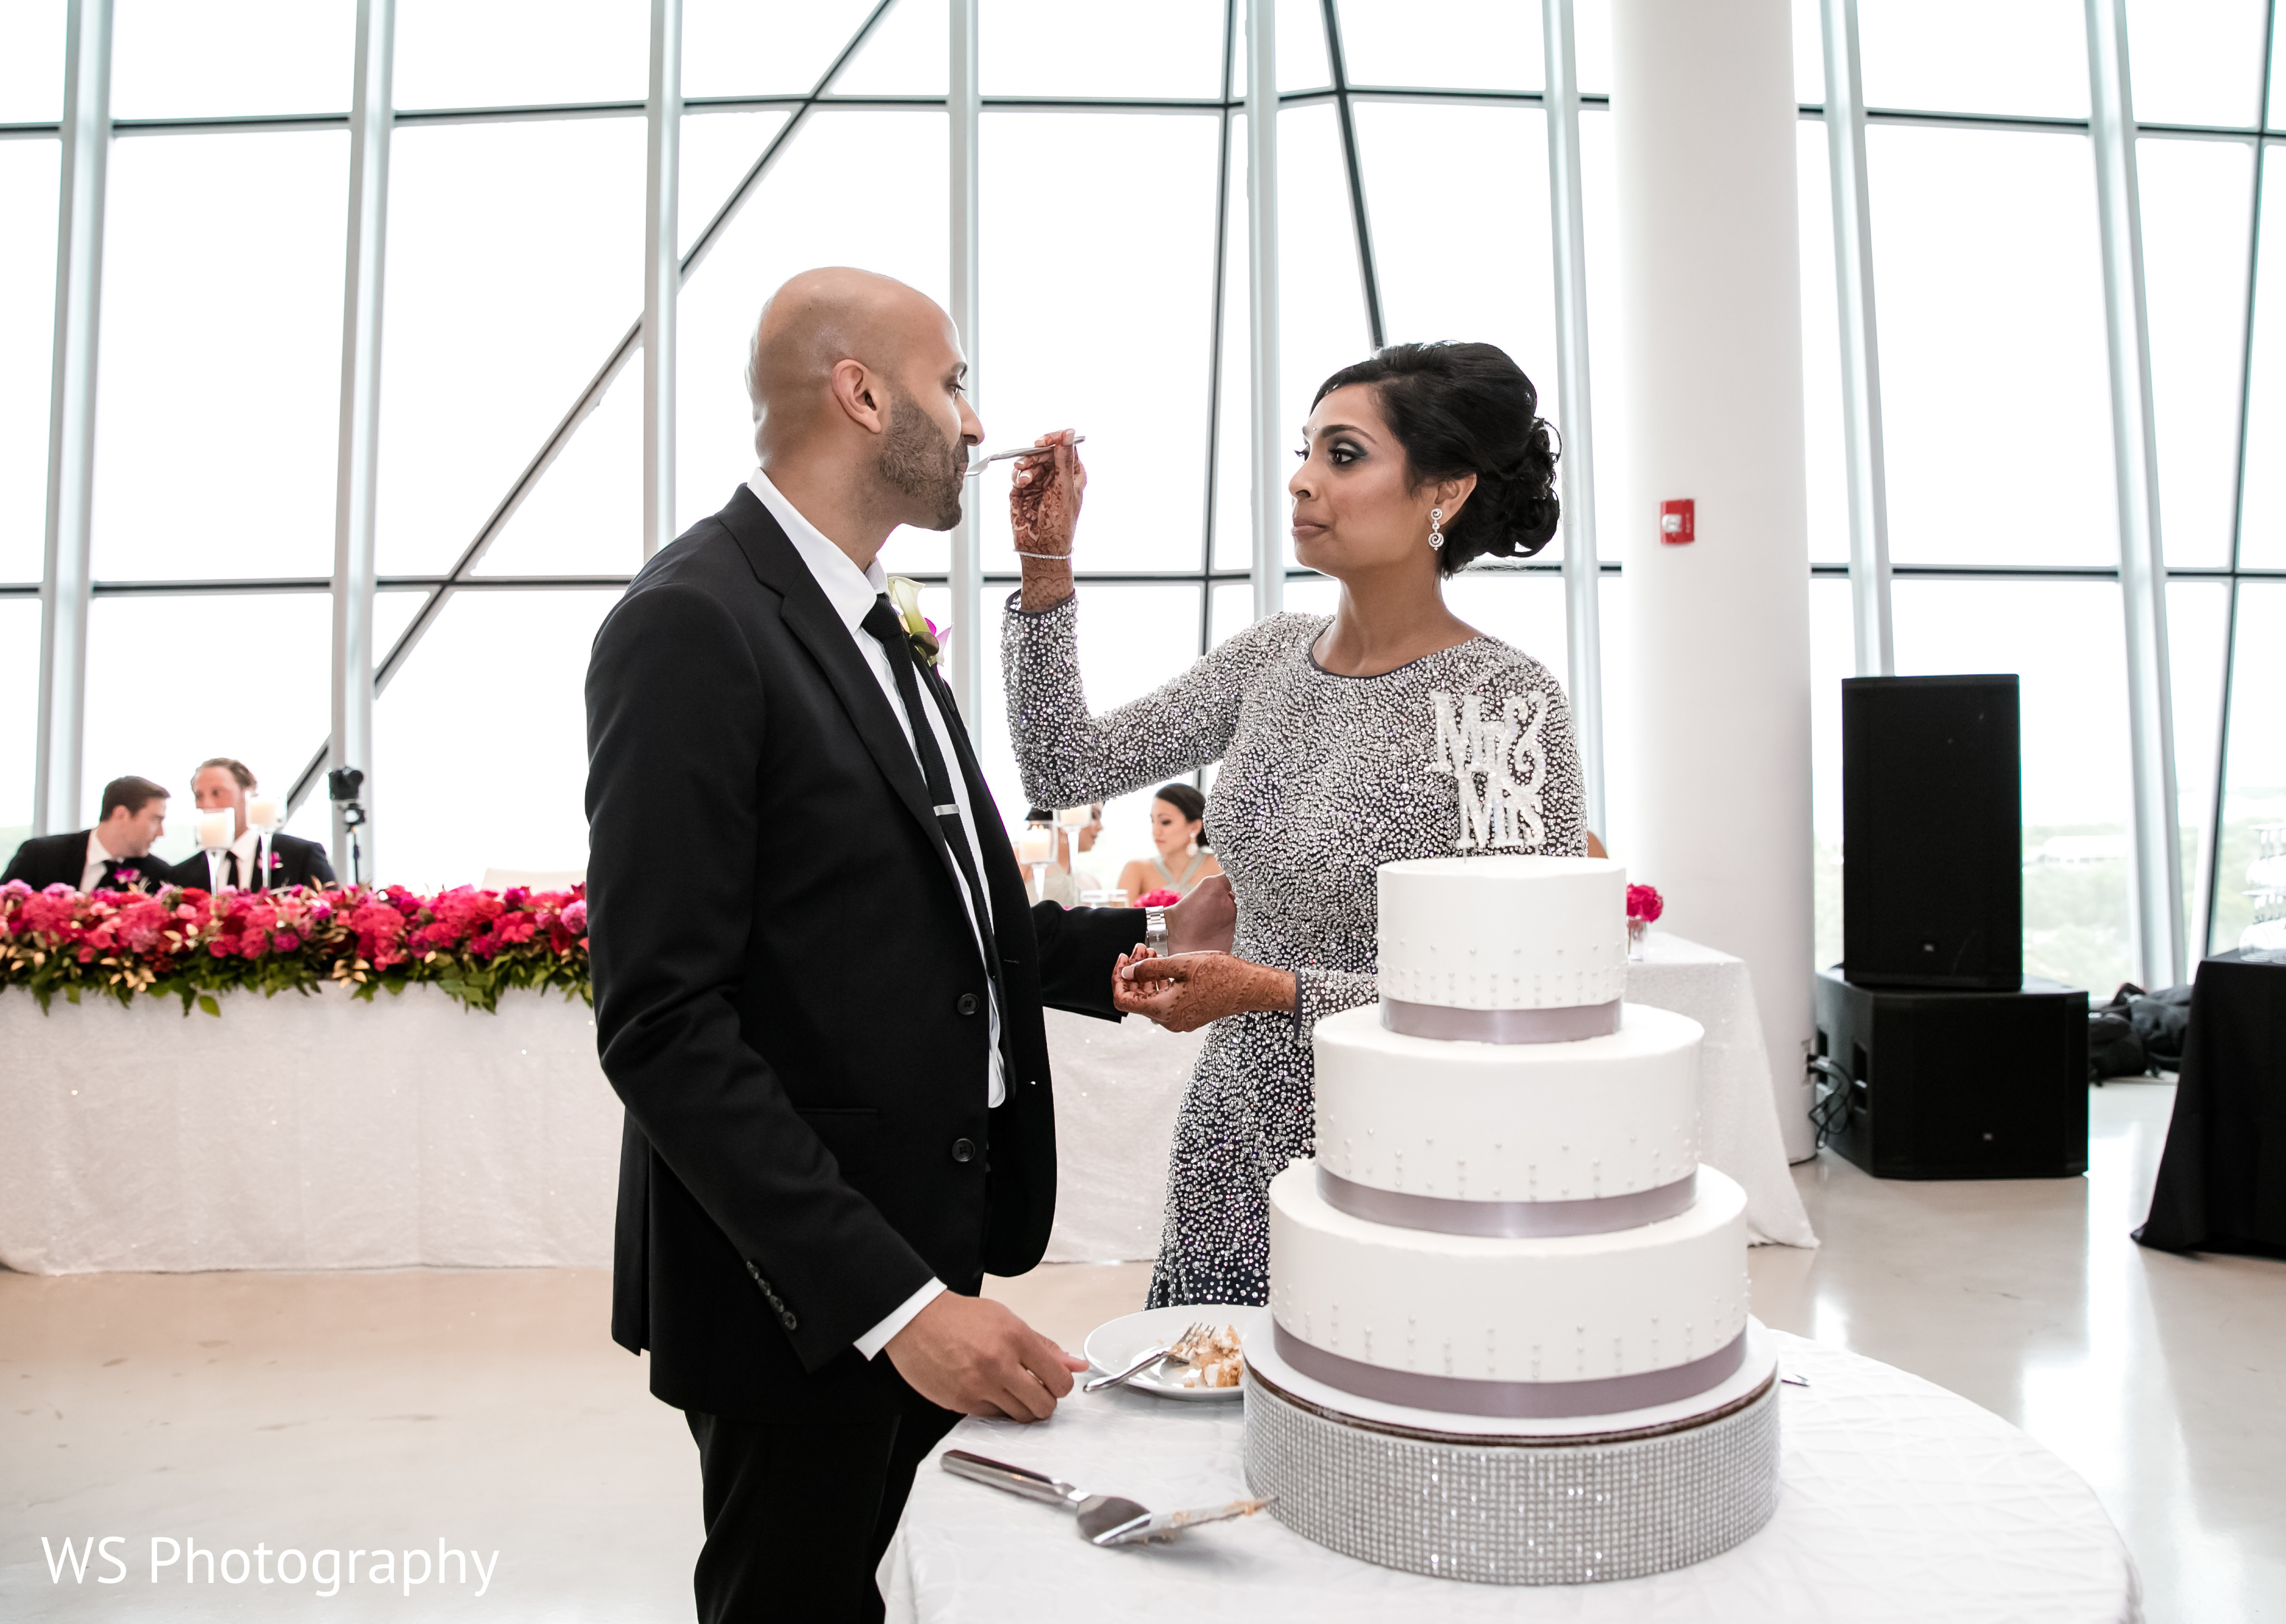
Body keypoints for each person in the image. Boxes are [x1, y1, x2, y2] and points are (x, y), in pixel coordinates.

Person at [584, 266, 1232, 1623]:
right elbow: (661, 1019)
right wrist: (893, 1305)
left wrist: (1146, 942)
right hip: (804, 1290)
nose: (977, 420)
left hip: (921, 1229)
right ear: (860, 392)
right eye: (950, 383)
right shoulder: (692, 622)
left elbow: (940, 916)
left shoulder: (874, 623)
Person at [1002, 342, 1586, 1309]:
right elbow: (1067, 765)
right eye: (1307, 448)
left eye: (1345, 454)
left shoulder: (1503, 702)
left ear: (1442, 492)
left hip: (1400, 1145)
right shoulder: (1271, 655)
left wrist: (1269, 989)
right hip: (1233, 1136)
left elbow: (1517, 999)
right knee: (1204, 1425)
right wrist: (1045, 567)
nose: (1303, 479)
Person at [162, 758, 337, 892]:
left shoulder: (301, 856)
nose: (205, 804)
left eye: (217, 793)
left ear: (249, 796)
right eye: (199, 795)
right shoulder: (182, 875)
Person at [2, 775, 175, 892]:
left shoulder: (157, 875)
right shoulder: (40, 855)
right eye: (156, 820)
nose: (161, 833)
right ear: (121, 815)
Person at [1116, 784, 1223, 904]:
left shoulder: (1219, 867)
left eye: (1165, 822)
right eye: (1153, 821)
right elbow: (1118, 921)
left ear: (1195, 826)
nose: (1156, 831)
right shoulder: (1136, 870)